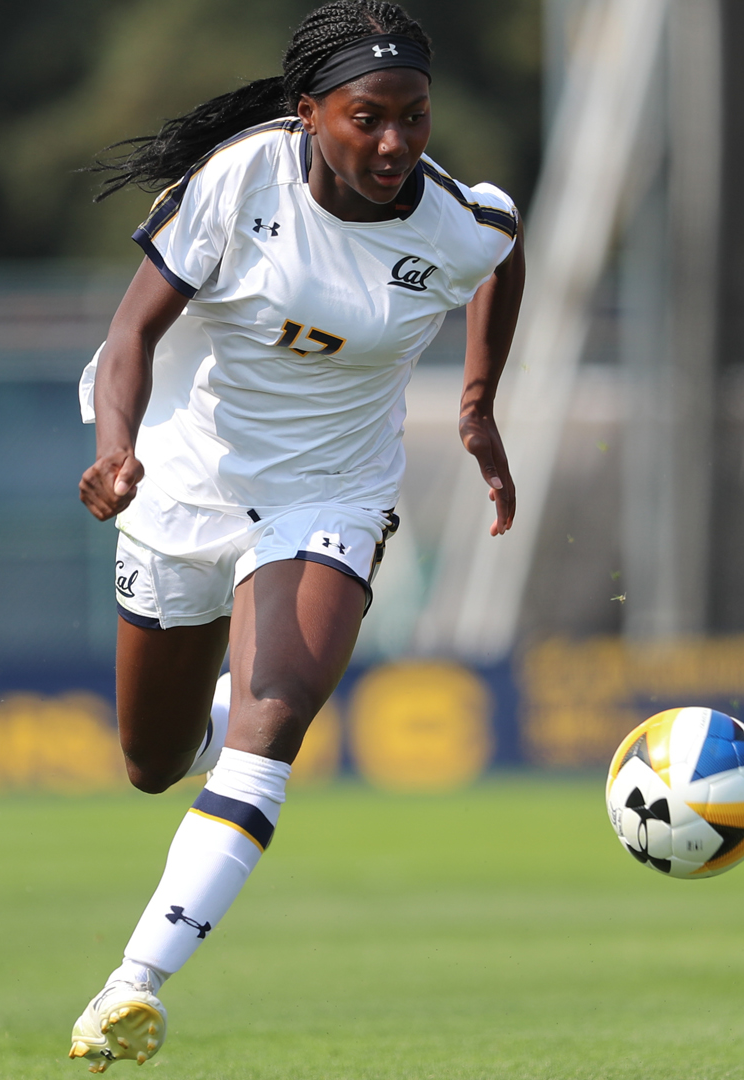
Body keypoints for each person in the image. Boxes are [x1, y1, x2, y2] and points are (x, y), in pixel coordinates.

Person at [66, 1, 524, 1070]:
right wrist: (116, 447)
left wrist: (477, 404)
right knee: (153, 762)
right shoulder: (240, 182)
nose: (396, 144)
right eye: (368, 117)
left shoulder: (455, 220)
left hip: (333, 490)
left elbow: (500, 254)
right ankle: (218, 702)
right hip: (186, 478)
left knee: (274, 719)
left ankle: (133, 984)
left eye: (414, 118)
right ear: (311, 112)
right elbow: (133, 330)